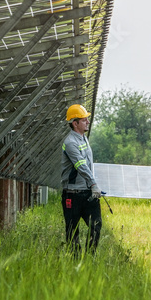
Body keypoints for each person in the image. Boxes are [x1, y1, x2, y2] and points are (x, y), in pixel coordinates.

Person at [60, 104, 102, 256]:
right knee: (72, 230)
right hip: (73, 194)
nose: (88, 122)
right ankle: (75, 261)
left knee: (96, 225)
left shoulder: (84, 139)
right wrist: (93, 183)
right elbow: (81, 165)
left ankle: (90, 258)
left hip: (87, 192)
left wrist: (92, 186)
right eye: (84, 120)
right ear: (75, 123)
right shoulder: (70, 142)